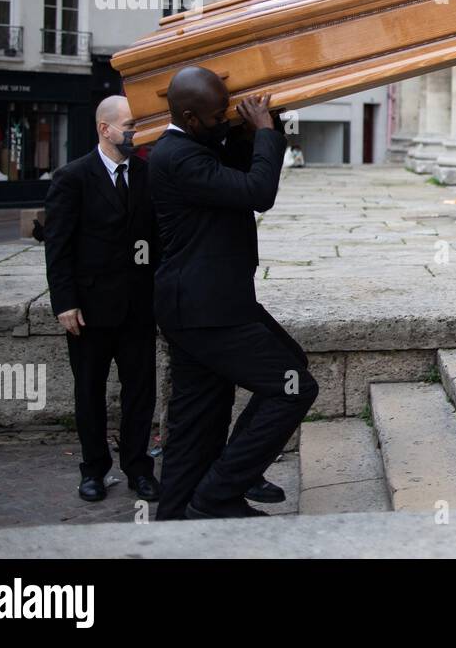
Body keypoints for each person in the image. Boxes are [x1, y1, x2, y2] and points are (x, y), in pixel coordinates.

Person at [149, 67, 318, 518]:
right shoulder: (178, 156)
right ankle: (217, 496)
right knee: (293, 387)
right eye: (217, 116)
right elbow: (256, 190)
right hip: (207, 309)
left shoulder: (195, 144)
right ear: (189, 116)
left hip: (208, 304)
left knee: (198, 414)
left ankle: (177, 511)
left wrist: (264, 121)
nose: (224, 122)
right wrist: (264, 132)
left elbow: (238, 163)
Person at [43, 95, 159, 503]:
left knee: (141, 394)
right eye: (128, 125)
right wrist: (64, 302)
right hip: (88, 311)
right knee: (89, 393)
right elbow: (57, 246)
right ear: (104, 129)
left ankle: (138, 469)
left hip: (139, 309)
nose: (134, 132)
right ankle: (93, 470)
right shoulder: (72, 177)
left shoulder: (148, 173)